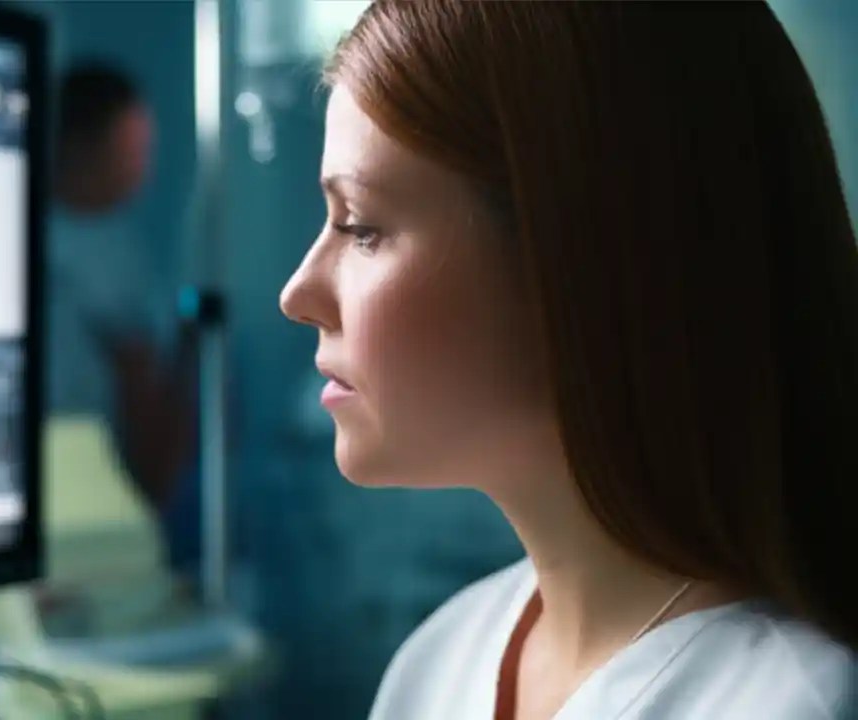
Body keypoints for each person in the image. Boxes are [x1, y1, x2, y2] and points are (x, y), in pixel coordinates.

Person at [278, 2, 856, 719]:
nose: (297, 294)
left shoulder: (796, 703)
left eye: (362, 227)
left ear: (580, 257)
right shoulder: (437, 664)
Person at [46, 60, 198, 568]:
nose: (144, 168)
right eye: (134, 150)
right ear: (81, 147)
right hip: (85, 485)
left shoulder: (112, 244)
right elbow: (141, 390)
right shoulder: (85, 249)